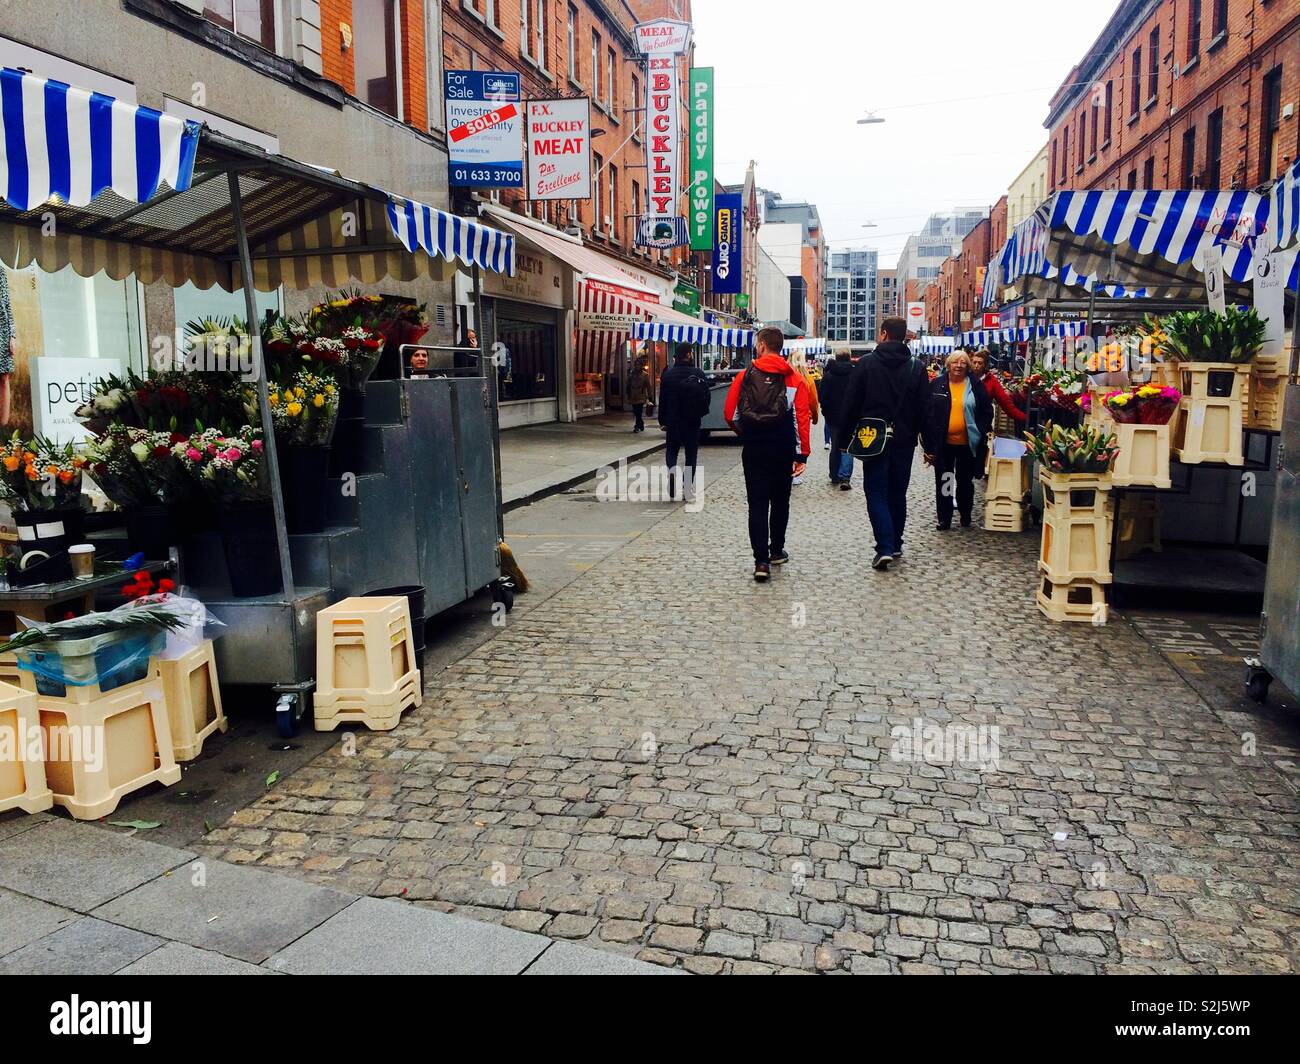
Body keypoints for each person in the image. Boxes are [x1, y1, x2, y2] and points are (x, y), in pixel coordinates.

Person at [836, 317, 930, 570]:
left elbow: (851, 403)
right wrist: (929, 446)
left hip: (873, 437)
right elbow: (925, 410)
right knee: (898, 492)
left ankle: (885, 546)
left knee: (876, 491)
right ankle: (896, 542)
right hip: (904, 439)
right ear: (904, 336)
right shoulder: (917, 367)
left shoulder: (866, 364)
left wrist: (843, 439)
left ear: (884, 333)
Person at [724, 326, 812, 583]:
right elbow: (801, 419)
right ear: (780, 346)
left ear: (761, 345)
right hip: (782, 447)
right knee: (781, 501)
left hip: (755, 447)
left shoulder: (744, 376)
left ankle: (760, 561)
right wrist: (802, 454)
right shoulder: (793, 378)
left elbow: (730, 414)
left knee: (757, 504)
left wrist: (746, 433)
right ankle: (776, 550)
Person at [923, 351, 993, 531]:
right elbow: (927, 413)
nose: (959, 365)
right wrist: (929, 444)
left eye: (963, 362)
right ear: (948, 365)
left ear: (967, 366)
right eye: (955, 362)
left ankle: (965, 512)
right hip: (944, 444)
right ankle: (944, 517)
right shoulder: (938, 384)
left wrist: (980, 430)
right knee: (945, 480)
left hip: (968, 444)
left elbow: (987, 412)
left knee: (964, 482)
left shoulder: (975, 385)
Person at [657, 346, 711, 499]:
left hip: (673, 420)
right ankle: (687, 489)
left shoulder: (668, 376)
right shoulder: (698, 374)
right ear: (688, 355)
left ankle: (672, 472)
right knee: (691, 454)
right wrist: (700, 412)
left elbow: (663, 400)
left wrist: (662, 420)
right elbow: (706, 397)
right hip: (692, 420)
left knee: (671, 451)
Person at [817, 349, 856, 490]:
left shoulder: (828, 375)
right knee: (847, 446)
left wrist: (825, 412)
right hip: (851, 416)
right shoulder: (854, 374)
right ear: (849, 357)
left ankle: (834, 475)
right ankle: (845, 477)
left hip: (833, 416)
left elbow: (822, 397)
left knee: (835, 445)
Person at [787, 348, 820, 485]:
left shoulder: (784, 376)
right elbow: (814, 401)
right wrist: (815, 417)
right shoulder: (808, 379)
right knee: (798, 443)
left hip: (786, 417)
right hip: (803, 417)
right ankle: (794, 472)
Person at [969, 349, 1024, 426]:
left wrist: (1024, 418)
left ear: (985, 365)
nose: (976, 365)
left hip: (982, 421)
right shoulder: (966, 378)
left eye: (980, 363)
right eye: (974, 362)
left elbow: (1005, 403)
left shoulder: (992, 380)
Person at [627, 357, 654, 433]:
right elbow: (628, 383)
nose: (637, 366)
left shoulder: (645, 375)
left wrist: (650, 397)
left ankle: (637, 426)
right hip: (633, 395)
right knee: (635, 412)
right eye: (636, 365)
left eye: (639, 365)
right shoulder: (632, 374)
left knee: (639, 412)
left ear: (641, 366)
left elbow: (648, 386)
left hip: (641, 396)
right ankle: (641, 423)